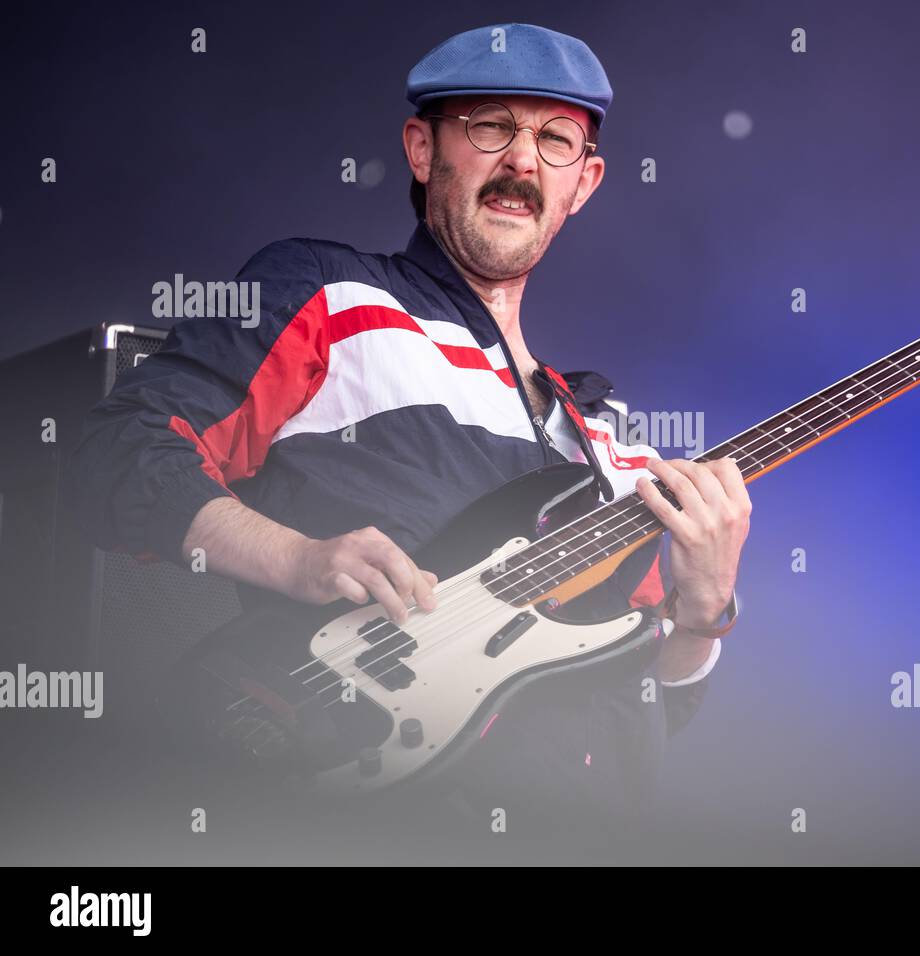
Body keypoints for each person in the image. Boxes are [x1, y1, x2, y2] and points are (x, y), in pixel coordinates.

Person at [68, 23, 751, 834]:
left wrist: (704, 609)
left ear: (585, 182)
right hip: (359, 807)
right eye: (492, 125)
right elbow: (114, 454)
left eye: (555, 140)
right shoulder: (333, 295)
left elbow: (644, 701)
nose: (524, 160)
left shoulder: (612, 441)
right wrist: (297, 557)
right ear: (424, 150)